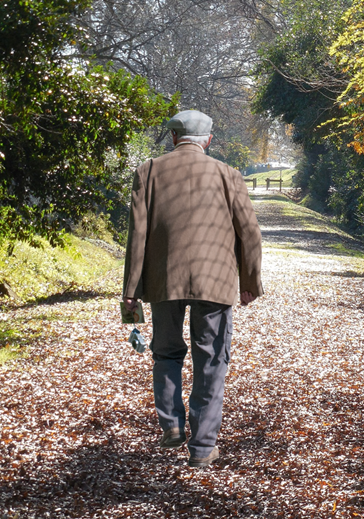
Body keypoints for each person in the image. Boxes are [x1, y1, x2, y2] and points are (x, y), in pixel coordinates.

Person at [122, 109, 263, 468]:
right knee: (212, 360)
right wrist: (249, 282)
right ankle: (202, 448)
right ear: (209, 140)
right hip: (214, 282)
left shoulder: (149, 171)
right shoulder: (227, 174)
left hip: (163, 281)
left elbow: (138, 233)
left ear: (173, 138)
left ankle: (171, 424)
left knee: (166, 353)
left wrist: (131, 289)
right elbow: (249, 231)